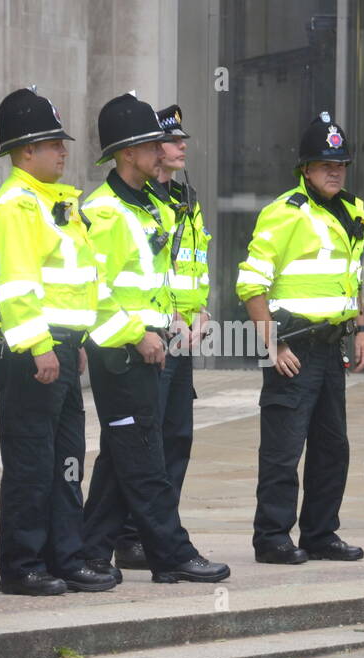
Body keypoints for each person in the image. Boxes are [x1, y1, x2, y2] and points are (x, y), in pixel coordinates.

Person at [0, 87, 144, 595]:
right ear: (26, 150)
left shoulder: (62, 205)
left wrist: (95, 338)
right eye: (54, 143)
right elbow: (18, 285)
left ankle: (64, 555)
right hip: (35, 352)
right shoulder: (16, 206)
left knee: (66, 460)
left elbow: (86, 285)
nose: (64, 150)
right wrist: (39, 346)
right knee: (32, 464)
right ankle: (22, 565)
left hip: (61, 345)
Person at [79, 92, 230, 584]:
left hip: (153, 346)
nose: (160, 148)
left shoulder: (150, 206)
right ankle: (171, 553)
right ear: (128, 153)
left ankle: (93, 550)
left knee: (130, 451)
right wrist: (138, 333)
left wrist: (174, 322)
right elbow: (94, 291)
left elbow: (162, 280)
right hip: (123, 351)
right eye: (150, 143)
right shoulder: (104, 211)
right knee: (142, 455)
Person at [236, 111, 364, 564]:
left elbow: (352, 277)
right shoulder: (284, 213)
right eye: (324, 164)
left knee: (333, 449)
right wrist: (272, 344)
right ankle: (272, 537)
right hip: (293, 347)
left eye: (340, 164)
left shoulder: (353, 210)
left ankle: (320, 532)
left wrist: (362, 326)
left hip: (331, 346)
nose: (335, 171)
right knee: (283, 450)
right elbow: (250, 284)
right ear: (305, 169)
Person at [111, 104, 212, 573]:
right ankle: (135, 537)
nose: (178, 147)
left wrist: (199, 310)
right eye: (170, 141)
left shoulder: (185, 197)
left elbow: (190, 265)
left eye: (174, 141)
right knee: (145, 441)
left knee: (175, 438)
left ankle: (155, 529)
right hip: (155, 332)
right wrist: (169, 315)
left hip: (183, 333)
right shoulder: (143, 199)